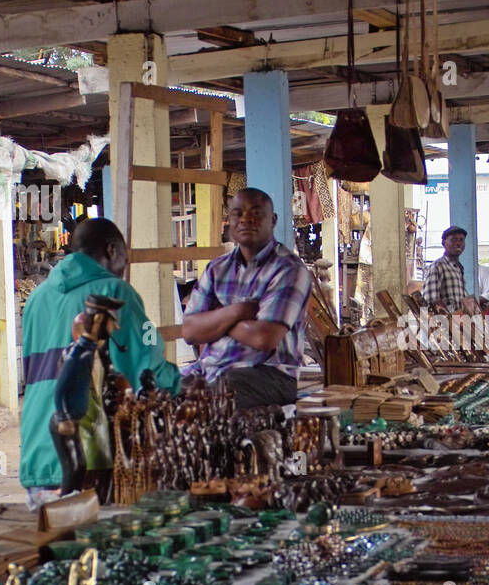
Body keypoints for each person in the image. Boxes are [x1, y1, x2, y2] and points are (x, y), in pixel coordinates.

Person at [19, 217, 180, 508]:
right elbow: (148, 371)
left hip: (38, 458)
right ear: (111, 250)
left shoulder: (37, 298)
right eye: (124, 262)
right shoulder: (115, 293)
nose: (122, 272)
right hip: (91, 463)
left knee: (56, 550)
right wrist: (184, 383)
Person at [181, 188, 313, 406]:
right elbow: (190, 332)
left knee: (217, 398)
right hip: (211, 369)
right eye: (237, 213)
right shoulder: (217, 268)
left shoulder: (289, 270)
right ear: (229, 220)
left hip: (269, 375)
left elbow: (264, 338)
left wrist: (215, 320)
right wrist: (238, 312)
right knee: (155, 393)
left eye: (256, 213)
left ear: (273, 220)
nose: (245, 220)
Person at [422, 226, 478, 314]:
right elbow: (428, 301)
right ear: (444, 243)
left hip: (460, 324)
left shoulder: (459, 268)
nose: (458, 243)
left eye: (461, 240)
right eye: (453, 240)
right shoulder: (438, 266)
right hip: (446, 325)